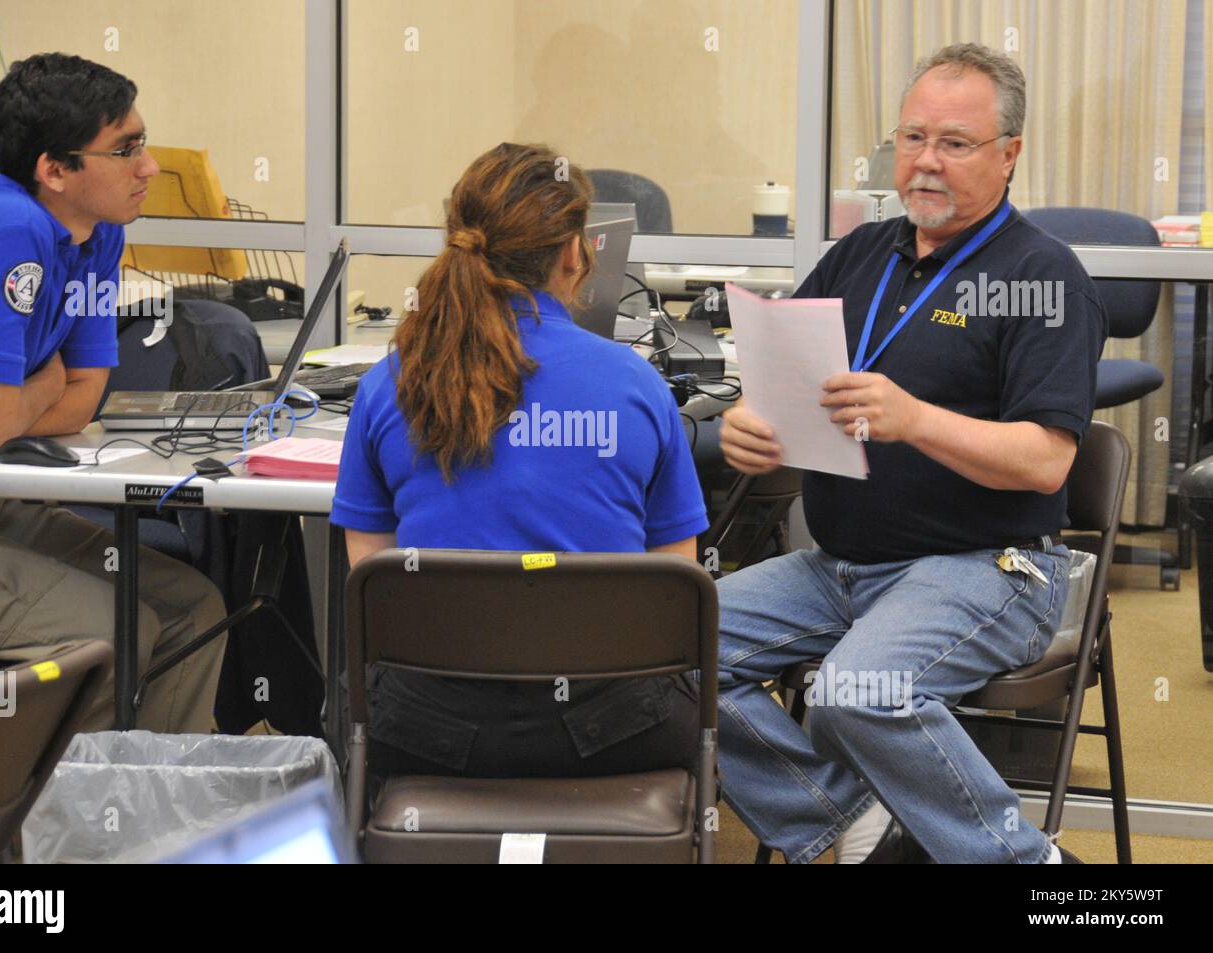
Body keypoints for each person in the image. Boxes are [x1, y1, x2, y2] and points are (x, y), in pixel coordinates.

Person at [715, 44, 1105, 863]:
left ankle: (1031, 867)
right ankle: (862, 820)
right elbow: (782, 376)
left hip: (988, 567)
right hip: (839, 566)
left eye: (955, 143)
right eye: (912, 138)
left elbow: (1044, 462)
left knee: (856, 692)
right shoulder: (861, 253)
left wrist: (915, 418)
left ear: (1010, 154)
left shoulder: (1042, 276)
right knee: (663, 646)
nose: (925, 162)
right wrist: (748, 421)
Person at [330, 142, 708, 777]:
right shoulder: (634, 383)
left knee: (346, 696)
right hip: (611, 728)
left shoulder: (390, 382)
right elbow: (674, 589)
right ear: (572, 251)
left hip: (424, 728)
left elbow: (373, 580)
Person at [0, 53, 227, 734]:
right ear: (54, 170)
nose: (149, 167)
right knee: (115, 632)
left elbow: (82, 395)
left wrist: (21, 399)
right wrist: (42, 383)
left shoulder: (100, 231)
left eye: (142, 142)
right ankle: (60, 831)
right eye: (125, 150)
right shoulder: (8, 228)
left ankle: (154, 820)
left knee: (195, 608)